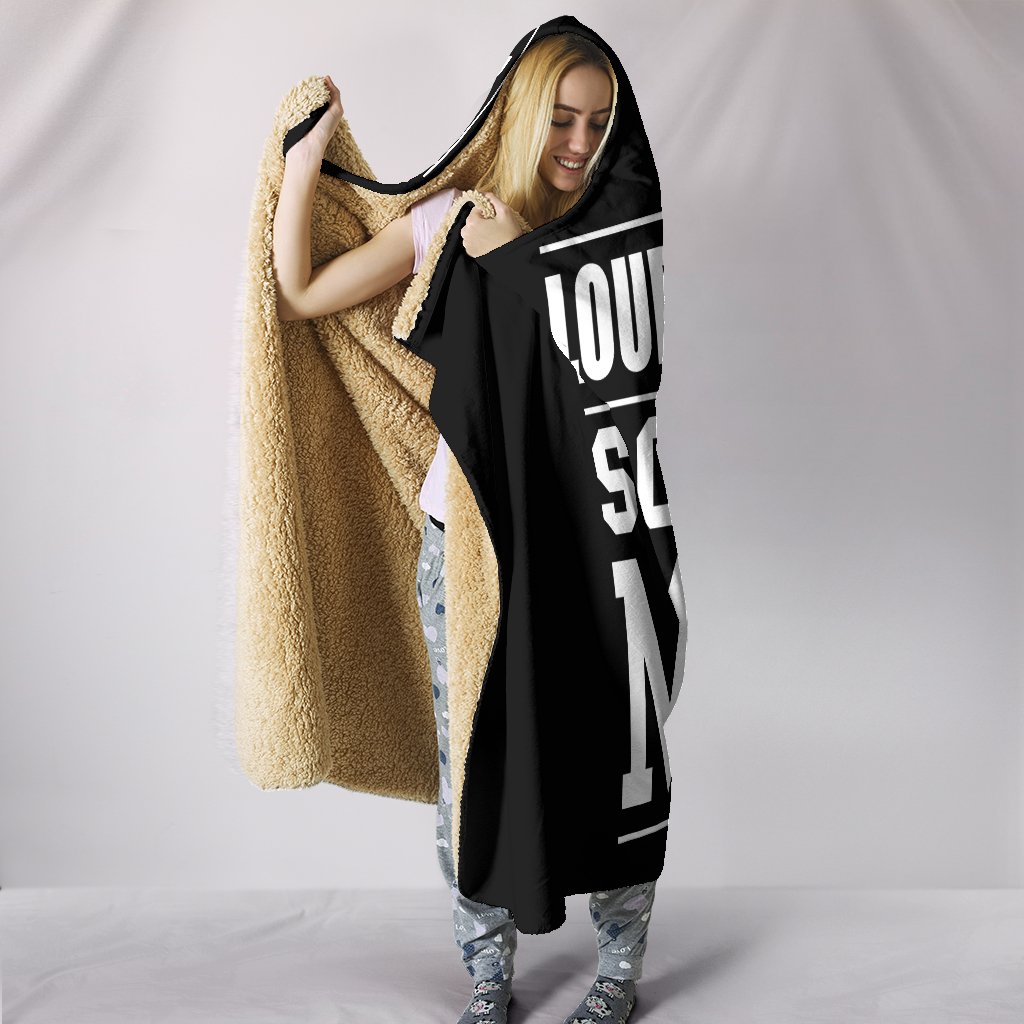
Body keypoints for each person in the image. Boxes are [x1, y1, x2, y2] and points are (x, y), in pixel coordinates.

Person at [271, 33, 654, 1024]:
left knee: (609, 748)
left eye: (598, 122)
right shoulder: (449, 221)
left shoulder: (611, 238)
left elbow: (593, 395)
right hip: (468, 543)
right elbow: (302, 296)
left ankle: (619, 970)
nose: (579, 143)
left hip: (587, 539)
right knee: (474, 763)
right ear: (521, 115)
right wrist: (304, 163)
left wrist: (519, 262)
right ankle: (487, 972)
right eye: (561, 118)